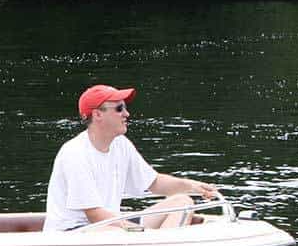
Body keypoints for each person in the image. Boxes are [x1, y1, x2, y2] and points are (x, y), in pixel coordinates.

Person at [44, 84, 217, 232]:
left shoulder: (121, 144)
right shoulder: (75, 153)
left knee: (183, 201)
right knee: (113, 233)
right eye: (119, 108)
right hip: (74, 232)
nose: (126, 114)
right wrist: (136, 232)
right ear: (97, 115)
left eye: (125, 108)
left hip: (109, 226)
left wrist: (193, 186)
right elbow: (94, 214)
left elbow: (154, 182)